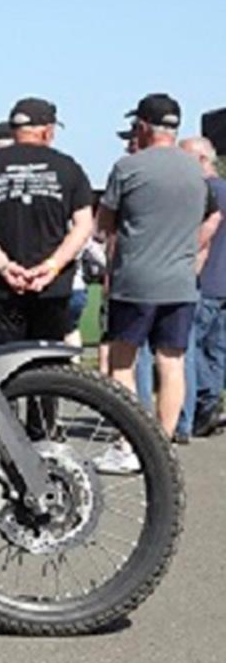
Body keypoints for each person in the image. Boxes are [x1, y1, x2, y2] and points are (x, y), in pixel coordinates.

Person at [96, 95, 219, 471]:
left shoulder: (128, 167)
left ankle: (128, 444)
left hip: (136, 279)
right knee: (173, 362)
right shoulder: (197, 173)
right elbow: (211, 218)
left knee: (122, 363)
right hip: (181, 282)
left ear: (143, 126)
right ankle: (162, 448)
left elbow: (104, 225)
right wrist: (188, 249)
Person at [0, 97, 94, 347]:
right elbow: (84, 226)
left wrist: (5, 266)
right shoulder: (68, 167)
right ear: (47, 131)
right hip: (50, 289)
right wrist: (51, 267)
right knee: (45, 366)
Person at [176, 136, 226, 440]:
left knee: (189, 349)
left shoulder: (201, 193)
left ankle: (199, 407)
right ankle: (211, 404)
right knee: (217, 350)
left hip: (203, 280)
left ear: (201, 160)